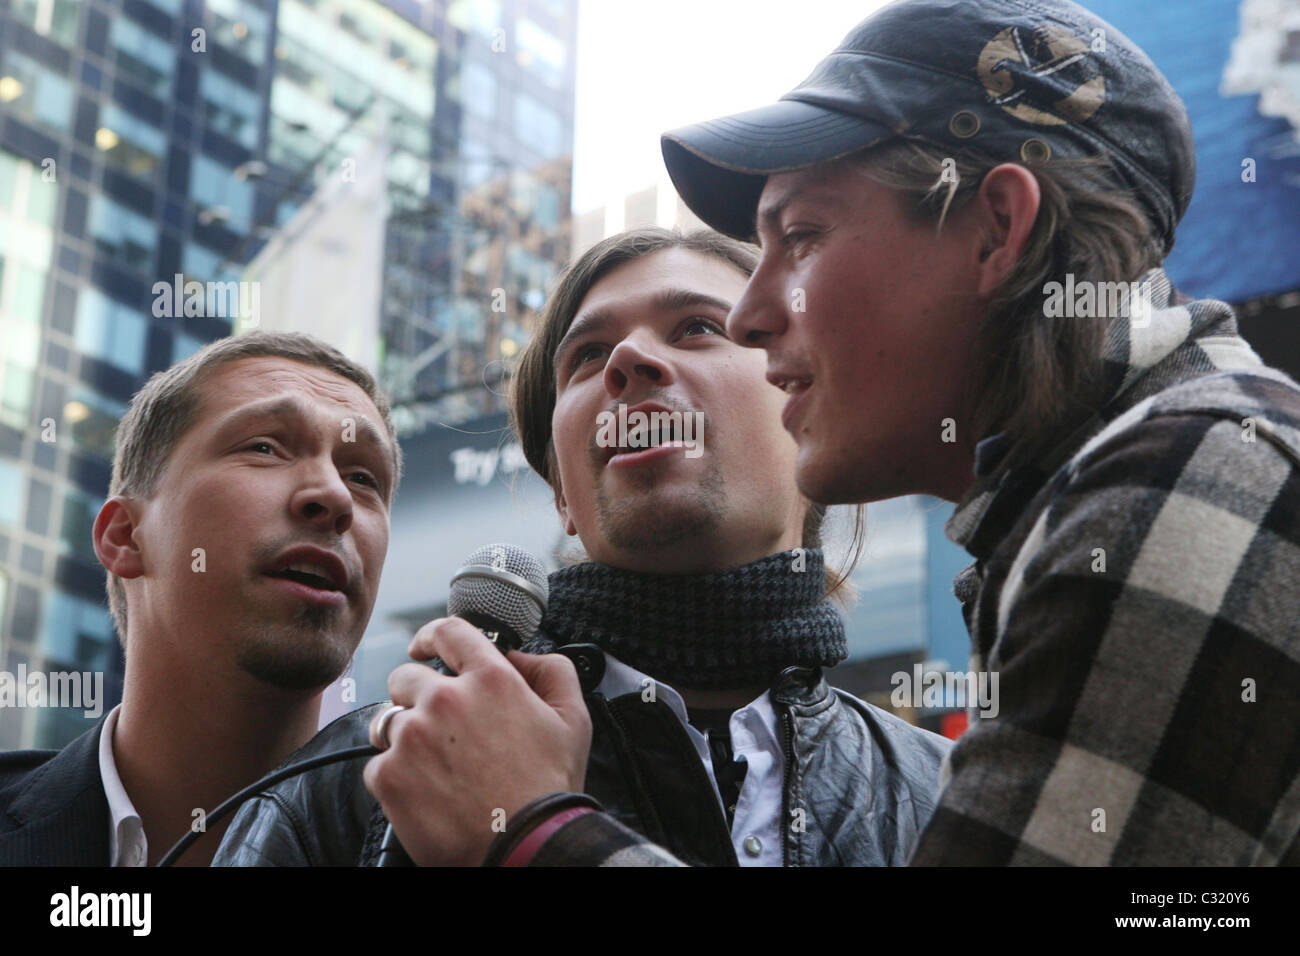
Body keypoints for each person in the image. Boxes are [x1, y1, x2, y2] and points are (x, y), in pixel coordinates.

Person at [369, 0, 1300, 866]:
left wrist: (535, 832)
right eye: (586, 355)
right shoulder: (1130, 481)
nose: (756, 313)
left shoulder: (1181, 484)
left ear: (995, 230)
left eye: (802, 235)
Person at [212, 227, 951, 867]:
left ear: (810, 416)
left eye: (697, 327)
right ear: (564, 495)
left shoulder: (948, 796)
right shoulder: (357, 776)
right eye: (588, 356)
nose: (628, 358)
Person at [0, 332, 402, 865]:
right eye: (264, 447)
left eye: (362, 477)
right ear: (125, 537)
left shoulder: (444, 845)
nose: (333, 496)